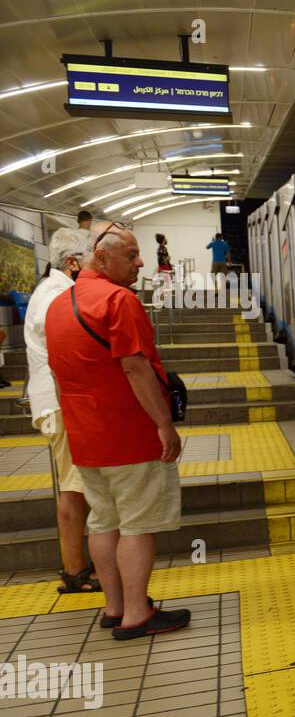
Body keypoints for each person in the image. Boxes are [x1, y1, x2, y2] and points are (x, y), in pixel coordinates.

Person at [45, 221, 190, 641]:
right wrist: (164, 425)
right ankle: (137, 615)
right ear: (101, 257)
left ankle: (114, 607)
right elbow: (134, 366)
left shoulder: (59, 305)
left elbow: (59, 376)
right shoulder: (117, 301)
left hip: (86, 439)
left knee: (104, 522)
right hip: (128, 434)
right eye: (131, 255)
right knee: (137, 525)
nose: (140, 262)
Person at [24, 227, 101, 593]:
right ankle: (75, 571)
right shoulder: (56, 296)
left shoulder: (55, 291)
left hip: (60, 401)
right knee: (75, 489)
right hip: (61, 403)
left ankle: (77, 569)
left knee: (75, 488)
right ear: (72, 263)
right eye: (92, 258)